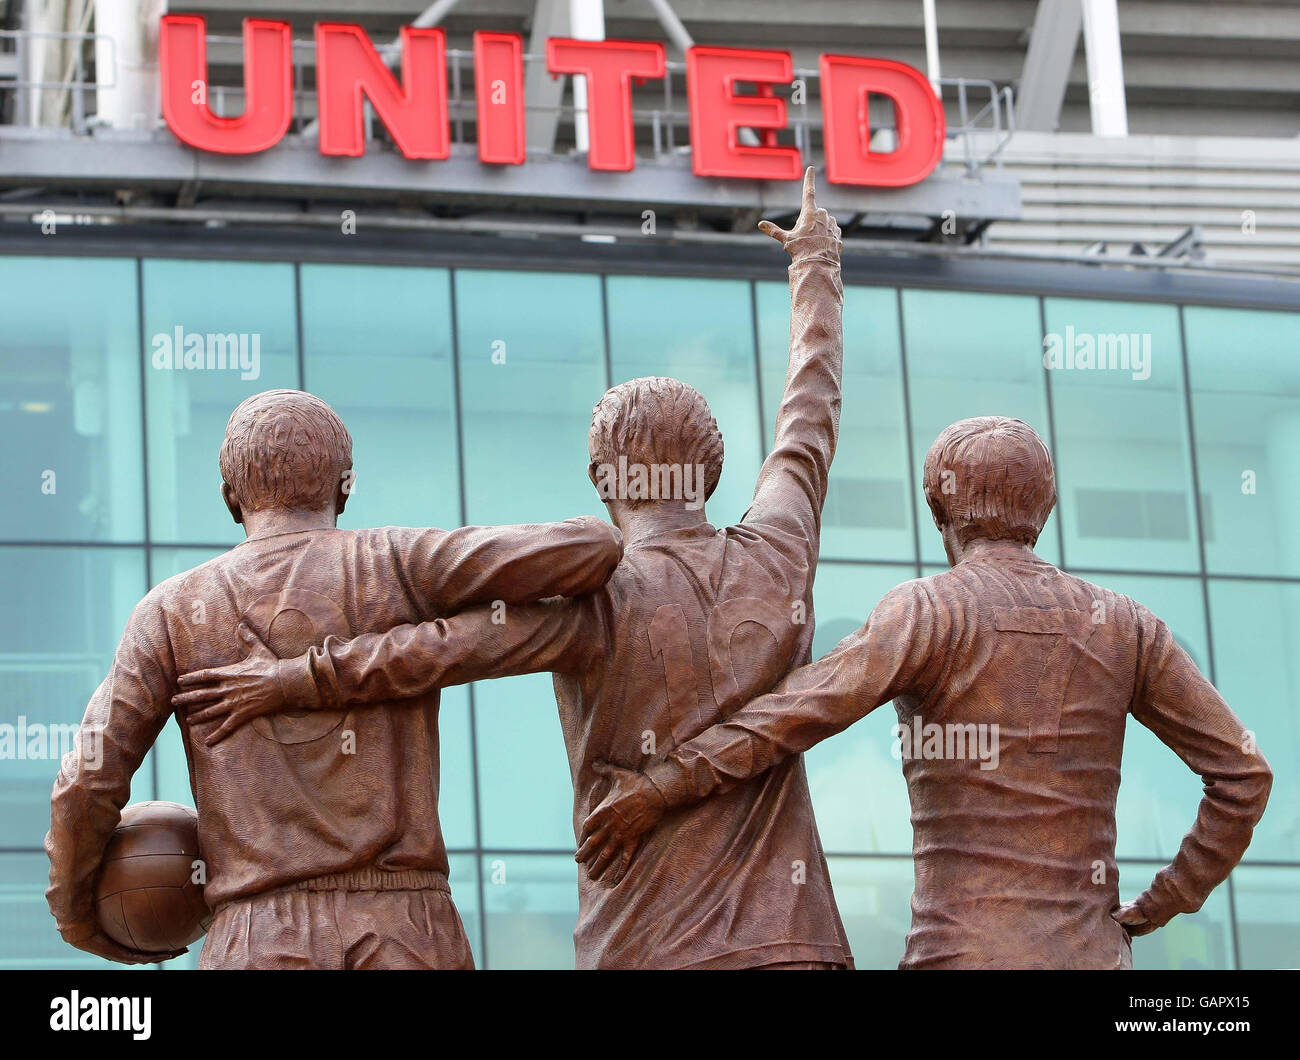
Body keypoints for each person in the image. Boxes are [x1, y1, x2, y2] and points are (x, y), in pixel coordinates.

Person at [173, 169, 854, 969]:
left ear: (603, 482)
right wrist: (817, 265)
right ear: (711, 468)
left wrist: (290, 680)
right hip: (794, 943)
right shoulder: (779, 551)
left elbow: (429, 652)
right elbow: (810, 415)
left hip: (646, 944)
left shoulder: (596, 603)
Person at [578, 415, 1273, 969]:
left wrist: (663, 785)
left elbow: (790, 717)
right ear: (1047, 508)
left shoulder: (929, 612)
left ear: (941, 511)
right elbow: (1243, 777)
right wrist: (1168, 897)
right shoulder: (1124, 625)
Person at [46, 389, 622, 969]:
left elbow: (89, 776)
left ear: (229, 497)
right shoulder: (397, 564)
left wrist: (75, 912)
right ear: (346, 486)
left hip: (258, 938)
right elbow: (591, 548)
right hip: (407, 932)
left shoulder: (172, 611)